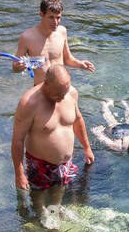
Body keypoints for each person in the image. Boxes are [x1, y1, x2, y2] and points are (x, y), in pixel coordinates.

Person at [11, 65, 95, 206]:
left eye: (64, 93)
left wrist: (87, 147)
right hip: (39, 166)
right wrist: (19, 174)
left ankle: (55, 217)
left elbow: (78, 119)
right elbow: (17, 140)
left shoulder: (71, 93)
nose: (62, 98)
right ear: (46, 83)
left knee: (58, 196)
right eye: (57, 95)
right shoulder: (29, 103)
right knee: (39, 202)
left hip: (65, 164)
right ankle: (39, 223)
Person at [14, 0, 95, 86]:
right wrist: (19, 66)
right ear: (41, 15)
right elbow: (15, 67)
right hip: (41, 88)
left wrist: (80, 64)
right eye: (51, 17)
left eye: (58, 17)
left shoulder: (62, 32)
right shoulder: (27, 37)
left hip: (62, 87)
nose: (55, 22)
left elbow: (67, 59)